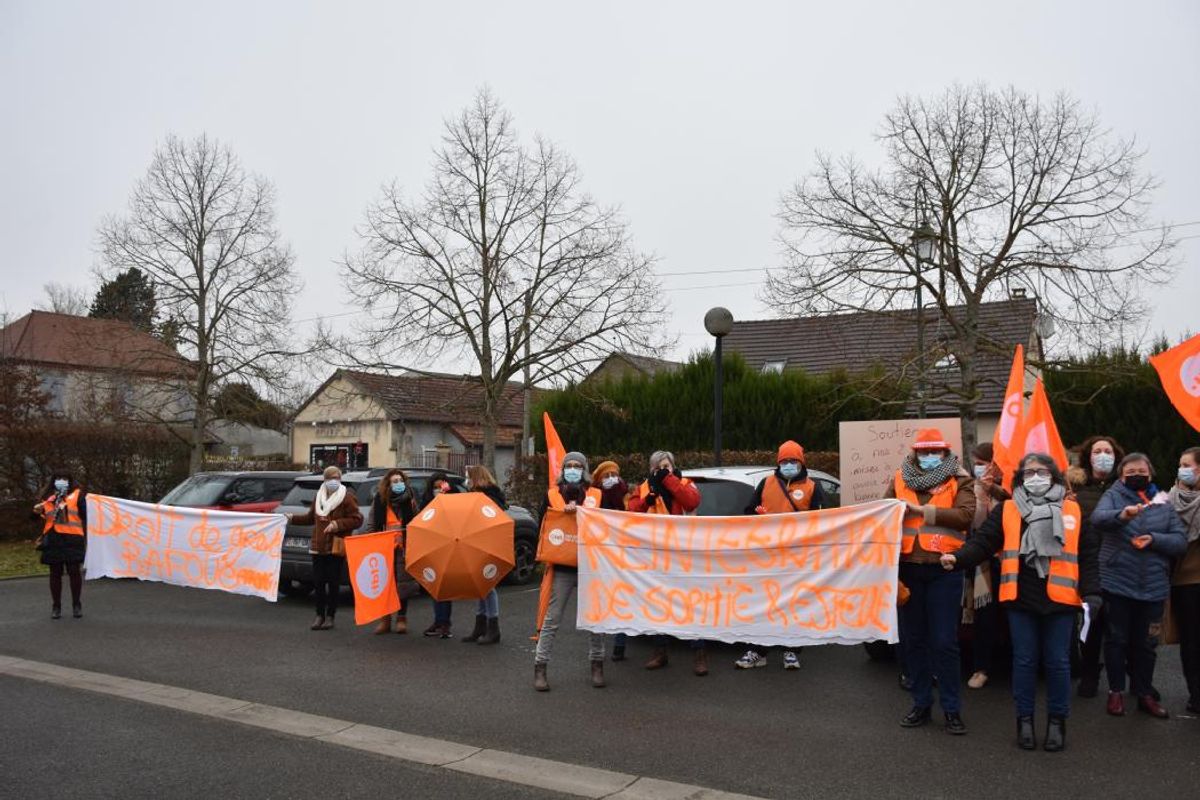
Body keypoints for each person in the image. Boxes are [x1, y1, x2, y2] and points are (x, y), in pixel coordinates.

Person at [941, 453, 1100, 751]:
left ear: (1054, 475)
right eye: (1029, 473)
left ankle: (1057, 723)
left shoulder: (1074, 511)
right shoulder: (1008, 510)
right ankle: (1024, 722)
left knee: (1057, 663)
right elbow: (983, 542)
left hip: (1061, 600)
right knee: (1024, 662)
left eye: (1042, 472)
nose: (1035, 477)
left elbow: (1089, 556)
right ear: (1019, 478)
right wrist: (958, 558)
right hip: (1020, 598)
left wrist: (1093, 593)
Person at [885, 428, 976, 735]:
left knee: (944, 642)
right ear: (915, 453)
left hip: (944, 570)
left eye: (935, 451)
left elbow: (965, 516)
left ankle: (951, 709)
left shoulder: (960, 479)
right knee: (914, 641)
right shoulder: (900, 478)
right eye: (924, 452)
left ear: (946, 453)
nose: (929, 457)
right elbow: (883, 514)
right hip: (908, 568)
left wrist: (922, 511)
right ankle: (921, 703)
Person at [1090, 452, 1188, 718]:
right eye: (1130, 471)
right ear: (1121, 476)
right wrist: (1122, 515)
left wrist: (1154, 539)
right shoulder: (1113, 495)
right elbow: (1097, 519)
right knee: (1116, 640)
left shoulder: (1163, 503)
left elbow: (1180, 541)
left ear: (1150, 473)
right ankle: (1115, 693)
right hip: (1117, 581)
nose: (1136, 475)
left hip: (1153, 585)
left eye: (1141, 471)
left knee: (1146, 644)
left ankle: (1144, 692)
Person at [734, 440, 825, 672]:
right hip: (767, 557)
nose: (788, 465)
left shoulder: (813, 487)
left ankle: (792, 650)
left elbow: (822, 522)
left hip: (797, 558)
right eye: (784, 461)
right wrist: (757, 516)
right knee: (764, 605)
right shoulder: (766, 483)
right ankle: (758, 650)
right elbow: (747, 513)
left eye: (793, 461)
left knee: (793, 605)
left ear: (801, 463)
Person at [627, 450, 705, 675]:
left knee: (690, 604)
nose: (663, 470)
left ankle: (699, 653)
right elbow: (631, 511)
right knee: (658, 603)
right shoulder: (643, 488)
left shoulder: (685, 483)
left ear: (673, 467)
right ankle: (660, 651)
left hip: (683, 554)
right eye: (658, 467)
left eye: (667, 466)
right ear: (651, 469)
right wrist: (647, 500)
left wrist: (668, 481)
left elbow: (691, 502)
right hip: (656, 555)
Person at [533, 452, 606, 691]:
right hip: (563, 566)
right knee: (552, 619)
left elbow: (612, 521)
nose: (572, 469)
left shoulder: (596, 494)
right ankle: (540, 667)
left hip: (590, 566)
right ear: (562, 469)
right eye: (569, 465)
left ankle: (597, 664)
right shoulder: (552, 494)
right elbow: (542, 524)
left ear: (584, 469)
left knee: (594, 620)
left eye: (577, 466)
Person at [1071, 435, 1126, 698]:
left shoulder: (1126, 488)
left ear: (1116, 456)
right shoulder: (1076, 491)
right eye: (1097, 451)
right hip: (1090, 562)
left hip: (1121, 565)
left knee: (1121, 626)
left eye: (1108, 451)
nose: (1103, 455)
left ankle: (1133, 677)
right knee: (1091, 624)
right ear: (1088, 457)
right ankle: (1089, 673)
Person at [287, 466, 362, 630]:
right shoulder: (319, 496)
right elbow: (309, 518)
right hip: (318, 546)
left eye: (337, 478)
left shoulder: (347, 497)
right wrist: (291, 518)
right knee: (319, 583)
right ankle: (319, 615)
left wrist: (337, 524)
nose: (334, 481)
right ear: (325, 480)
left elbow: (357, 519)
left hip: (335, 546)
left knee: (333, 583)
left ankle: (330, 616)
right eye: (330, 478)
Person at [965, 442, 1010, 690]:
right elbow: (976, 524)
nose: (978, 469)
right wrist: (982, 494)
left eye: (982, 464)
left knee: (1015, 615)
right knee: (985, 617)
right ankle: (981, 668)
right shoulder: (973, 489)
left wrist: (996, 490)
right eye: (977, 464)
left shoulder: (1013, 489)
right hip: (984, 564)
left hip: (1012, 562)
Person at [369, 468, 419, 635]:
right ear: (388, 485)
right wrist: (373, 542)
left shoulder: (410, 500)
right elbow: (372, 524)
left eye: (400, 480)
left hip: (404, 549)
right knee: (385, 585)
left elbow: (417, 522)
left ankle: (401, 618)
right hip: (384, 550)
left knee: (403, 585)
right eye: (394, 481)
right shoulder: (380, 501)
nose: (398, 484)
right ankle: (385, 619)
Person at [32, 470, 87, 619]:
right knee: (55, 573)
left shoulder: (77, 495)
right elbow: (35, 518)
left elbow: (86, 514)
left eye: (64, 478)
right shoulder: (47, 498)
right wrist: (36, 512)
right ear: (53, 481)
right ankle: (56, 606)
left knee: (74, 571)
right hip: (53, 538)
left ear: (70, 481)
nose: (61, 481)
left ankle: (76, 604)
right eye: (58, 478)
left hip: (72, 539)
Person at [1170, 446, 1200, 713]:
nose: (1182, 470)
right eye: (1181, 465)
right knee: (1190, 640)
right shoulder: (1171, 499)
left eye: (1187, 464)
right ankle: (1196, 693)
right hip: (1184, 580)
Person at [592, 460, 631, 662]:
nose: (611, 479)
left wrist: (616, 491)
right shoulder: (593, 495)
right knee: (601, 598)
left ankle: (620, 643)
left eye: (614, 475)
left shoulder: (624, 493)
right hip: (599, 552)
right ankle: (599, 645)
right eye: (606, 476)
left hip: (621, 552)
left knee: (620, 596)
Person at [463, 464, 505, 645]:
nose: (466, 480)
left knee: (487, 584)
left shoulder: (487, 497)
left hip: (487, 544)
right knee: (480, 584)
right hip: (479, 543)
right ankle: (481, 626)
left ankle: (493, 628)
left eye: (468, 477)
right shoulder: (482, 495)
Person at [420, 471, 459, 638]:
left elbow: (459, 510)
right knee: (435, 585)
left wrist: (448, 494)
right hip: (433, 544)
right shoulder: (427, 499)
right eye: (435, 487)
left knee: (445, 586)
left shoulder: (454, 495)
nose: (438, 489)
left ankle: (444, 623)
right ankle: (439, 621)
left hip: (449, 544)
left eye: (440, 486)